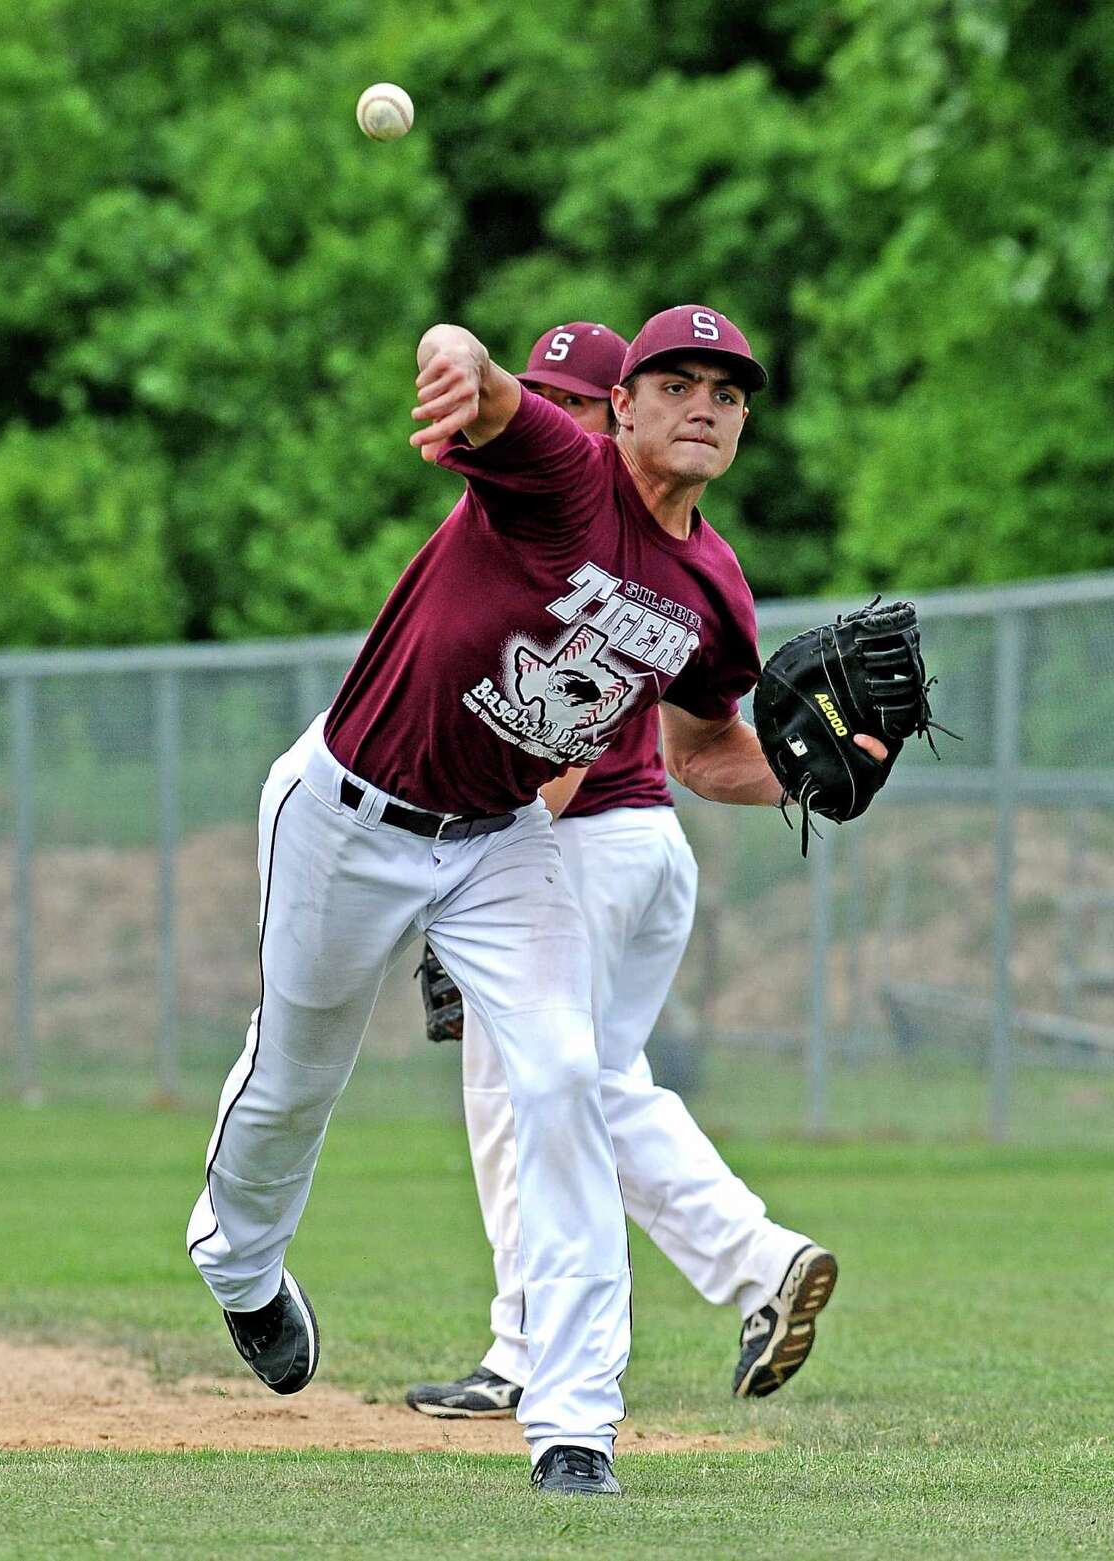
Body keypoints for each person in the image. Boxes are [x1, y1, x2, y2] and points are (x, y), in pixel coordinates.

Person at [185, 304, 889, 1497]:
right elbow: (490, 385)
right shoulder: (570, 479)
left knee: (565, 1079)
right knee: (297, 1073)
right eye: (676, 382)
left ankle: (574, 1422)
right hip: (348, 808)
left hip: (503, 839)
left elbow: (704, 744)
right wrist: (455, 352)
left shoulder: (715, 590)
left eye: (728, 389)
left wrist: (815, 773)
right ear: (623, 403)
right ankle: (241, 1267)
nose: (704, 404)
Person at [406, 324, 838, 1424]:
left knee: (532, 1098)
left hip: (578, 843)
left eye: (579, 397)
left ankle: (532, 1350)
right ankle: (753, 1266)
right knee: (592, 1089)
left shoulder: (616, 540)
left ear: (618, 414)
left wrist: (468, 867)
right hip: (639, 847)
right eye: (544, 393)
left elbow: (567, 746)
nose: (561, 413)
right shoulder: (602, 531)